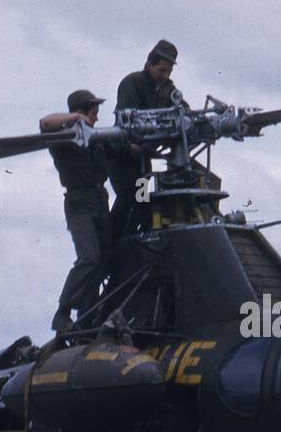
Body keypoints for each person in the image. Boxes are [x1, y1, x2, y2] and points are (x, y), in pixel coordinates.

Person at [39, 88, 111, 333]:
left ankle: (87, 313)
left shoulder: (97, 138)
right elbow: (45, 122)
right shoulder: (62, 137)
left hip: (100, 199)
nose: (96, 119)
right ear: (80, 112)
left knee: (106, 259)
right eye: (92, 113)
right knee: (89, 257)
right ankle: (62, 313)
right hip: (78, 203)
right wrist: (75, 120)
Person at [109, 39, 181, 237]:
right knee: (128, 197)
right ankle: (110, 246)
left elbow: (182, 111)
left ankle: (132, 244)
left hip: (142, 160)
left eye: (168, 72)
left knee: (143, 202)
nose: (164, 76)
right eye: (161, 71)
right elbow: (126, 120)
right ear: (149, 65)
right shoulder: (132, 83)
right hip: (123, 157)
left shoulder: (167, 88)